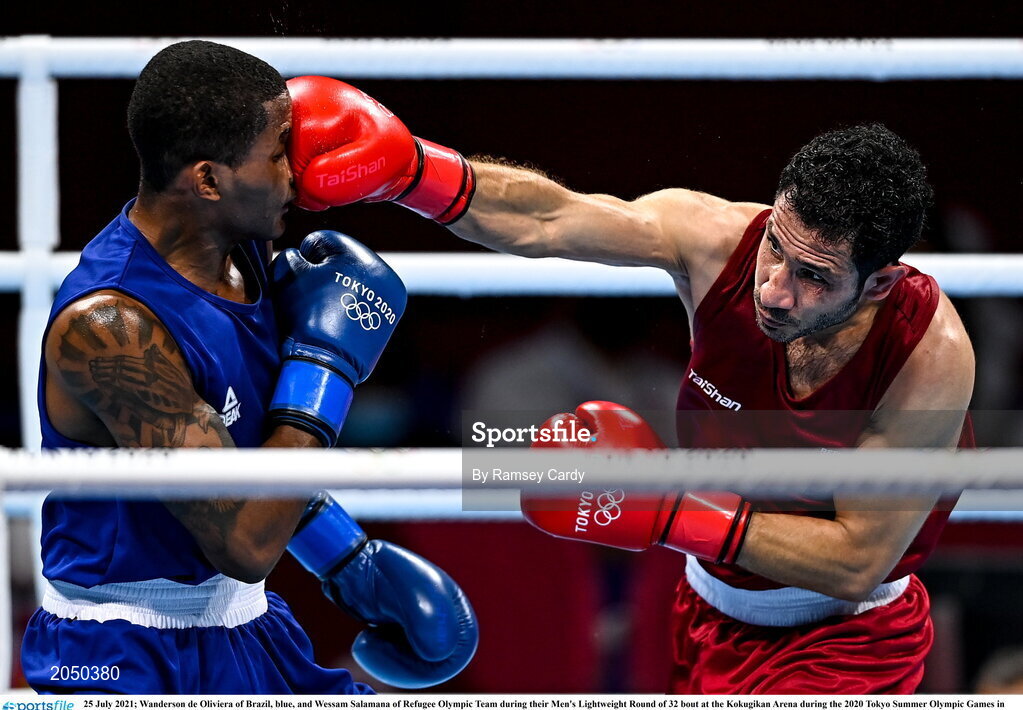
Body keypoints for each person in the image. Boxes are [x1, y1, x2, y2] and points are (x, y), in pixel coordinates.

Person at [282, 76, 975, 694]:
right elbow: (547, 216)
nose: (774, 289)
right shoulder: (713, 239)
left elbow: (855, 561)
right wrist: (412, 170)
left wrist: (668, 511)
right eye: (776, 248)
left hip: (846, 642)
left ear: (879, 282)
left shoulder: (926, 354)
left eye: (813, 276)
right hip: (703, 613)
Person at [24, 43, 476, 694]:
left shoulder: (248, 253)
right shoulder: (112, 329)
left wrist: (348, 559)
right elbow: (243, 542)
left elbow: (241, 452)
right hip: (121, 652)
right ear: (209, 180)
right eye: (277, 154)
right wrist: (326, 371)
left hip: (249, 622)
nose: (298, 173)